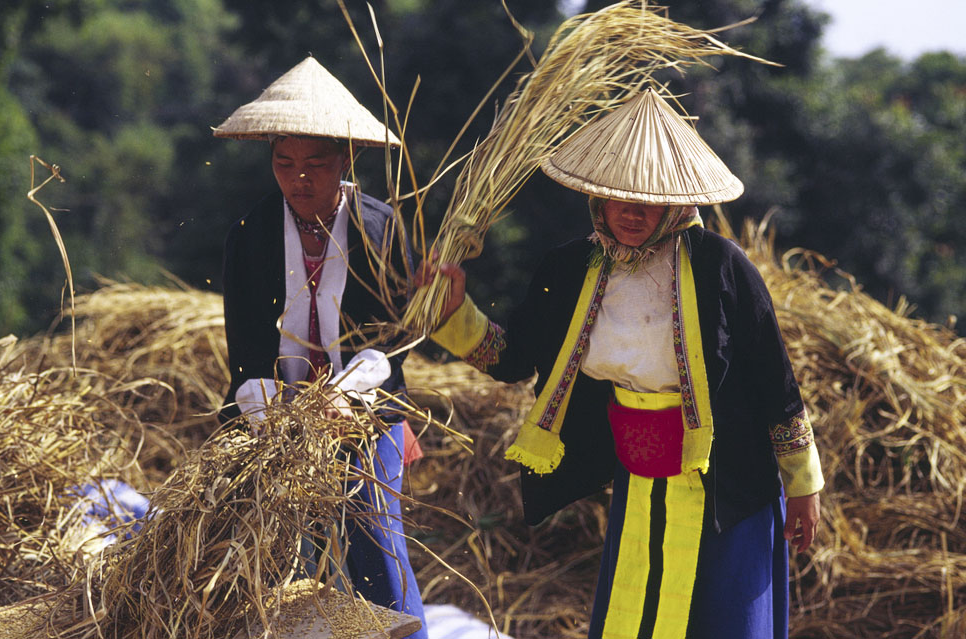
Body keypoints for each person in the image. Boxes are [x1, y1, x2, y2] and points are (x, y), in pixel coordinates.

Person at [422, 88, 824, 639]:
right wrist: (452, 312)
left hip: (727, 480)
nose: (632, 211)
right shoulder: (570, 268)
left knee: (719, 619)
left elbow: (775, 384)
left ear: (677, 201)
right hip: (640, 478)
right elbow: (508, 357)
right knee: (637, 613)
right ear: (595, 198)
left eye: (649, 198)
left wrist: (802, 484)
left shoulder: (722, 268)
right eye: (618, 196)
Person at [212, 56, 427, 639]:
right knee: (277, 557)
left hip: (363, 409)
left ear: (345, 162)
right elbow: (247, 353)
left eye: (315, 164)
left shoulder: (379, 228)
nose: (299, 179)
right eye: (284, 164)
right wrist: (276, 418)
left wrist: (341, 399)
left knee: (374, 543)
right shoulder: (251, 236)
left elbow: (392, 344)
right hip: (273, 415)